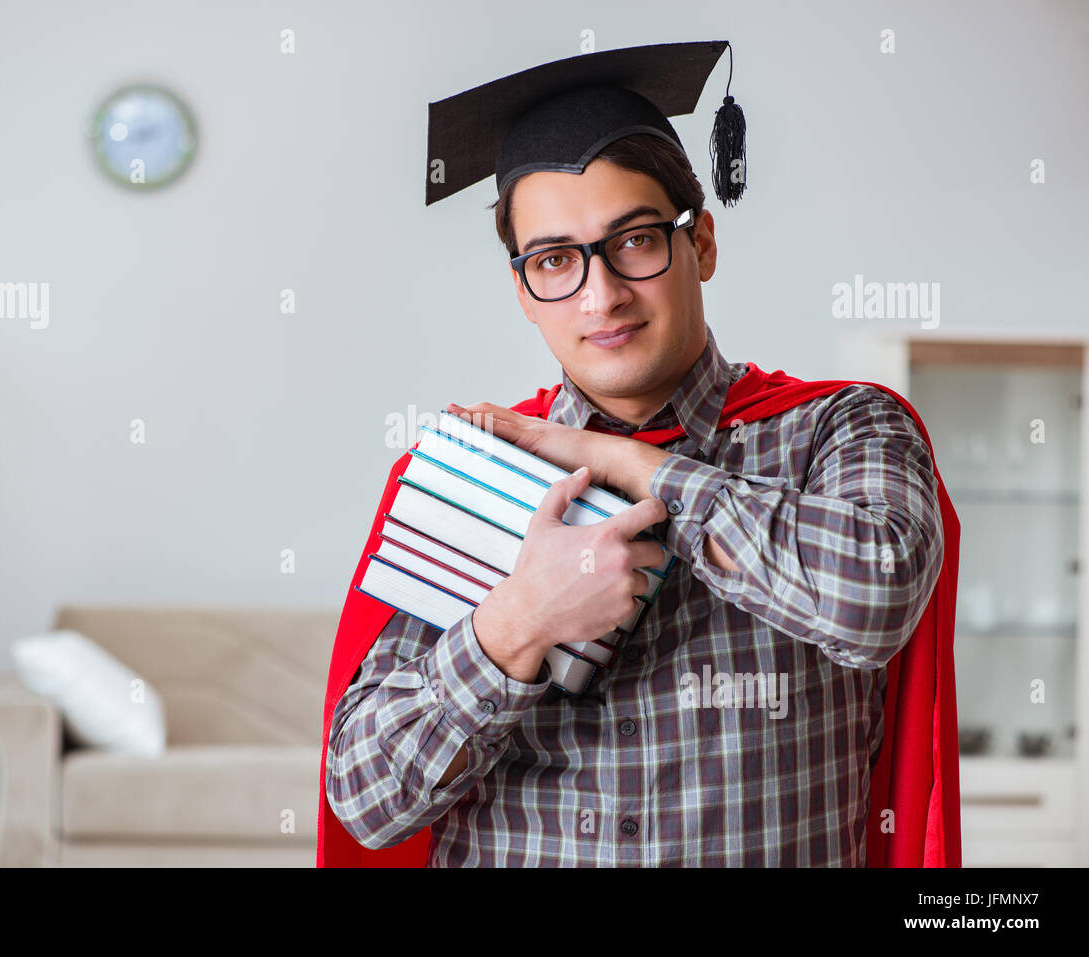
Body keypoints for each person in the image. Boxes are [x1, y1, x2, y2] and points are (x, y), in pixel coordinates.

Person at [320, 41, 958, 866]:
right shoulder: (471, 473)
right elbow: (367, 801)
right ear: (523, 292)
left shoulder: (843, 429)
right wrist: (520, 620)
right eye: (555, 260)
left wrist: (628, 464)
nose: (602, 295)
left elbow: (874, 597)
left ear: (702, 245)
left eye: (635, 241)